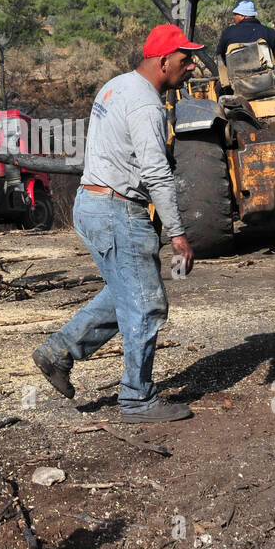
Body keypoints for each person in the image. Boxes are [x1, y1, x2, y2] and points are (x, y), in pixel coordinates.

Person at [32, 23, 199, 422]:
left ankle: (59, 351)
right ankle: (136, 399)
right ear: (163, 61)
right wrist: (178, 234)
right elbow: (157, 173)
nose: (191, 66)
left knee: (126, 292)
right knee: (146, 303)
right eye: (184, 59)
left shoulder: (115, 85)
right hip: (117, 209)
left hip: (93, 204)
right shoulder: (146, 104)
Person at [216, 0, 275, 67]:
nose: (233, 17)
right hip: (267, 82)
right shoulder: (268, 32)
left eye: (235, 14)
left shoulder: (228, 33)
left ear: (243, 15)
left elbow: (220, 57)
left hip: (237, 82)